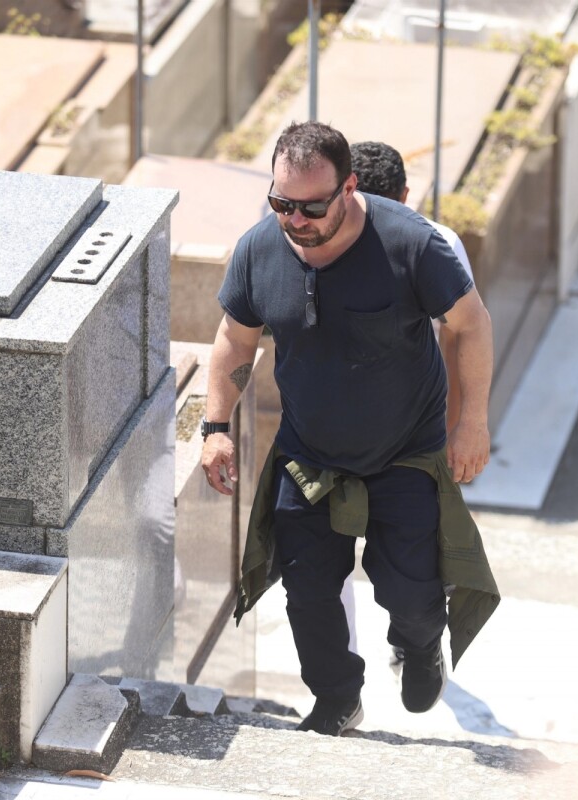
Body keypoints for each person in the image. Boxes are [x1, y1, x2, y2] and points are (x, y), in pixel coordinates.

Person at [200, 121, 499, 736]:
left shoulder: (411, 244)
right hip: (309, 456)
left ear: (349, 187)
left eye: (311, 206)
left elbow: (471, 325)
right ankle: (337, 700)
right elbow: (235, 337)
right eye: (281, 203)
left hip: (405, 455)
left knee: (413, 597)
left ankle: (419, 648)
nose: (295, 219)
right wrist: (215, 425)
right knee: (307, 597)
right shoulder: (260, 248)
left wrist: (473, 424)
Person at [341, 140, 475, 661]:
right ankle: (408, 642)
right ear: (405, 193)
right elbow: (462, 337)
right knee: (408, 545)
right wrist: (461, 425)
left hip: (369, 429)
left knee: (335, 557)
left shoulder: (318, 236)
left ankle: (366, 662)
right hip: (411, 431)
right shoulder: (438, 239)